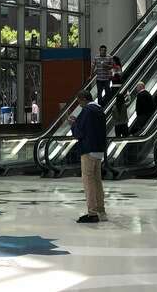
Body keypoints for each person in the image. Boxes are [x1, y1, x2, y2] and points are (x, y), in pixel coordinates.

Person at [70, 89, 107, 223]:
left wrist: (73, 123)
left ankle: (92, 213)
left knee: (88, 181)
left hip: (88, 149)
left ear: (83, 99)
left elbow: (79, 132)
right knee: (97, 181)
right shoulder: (100, 110)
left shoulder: (87, 111)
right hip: (99, 150)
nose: (79, 104)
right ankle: (101, 210)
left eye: (79, 101)